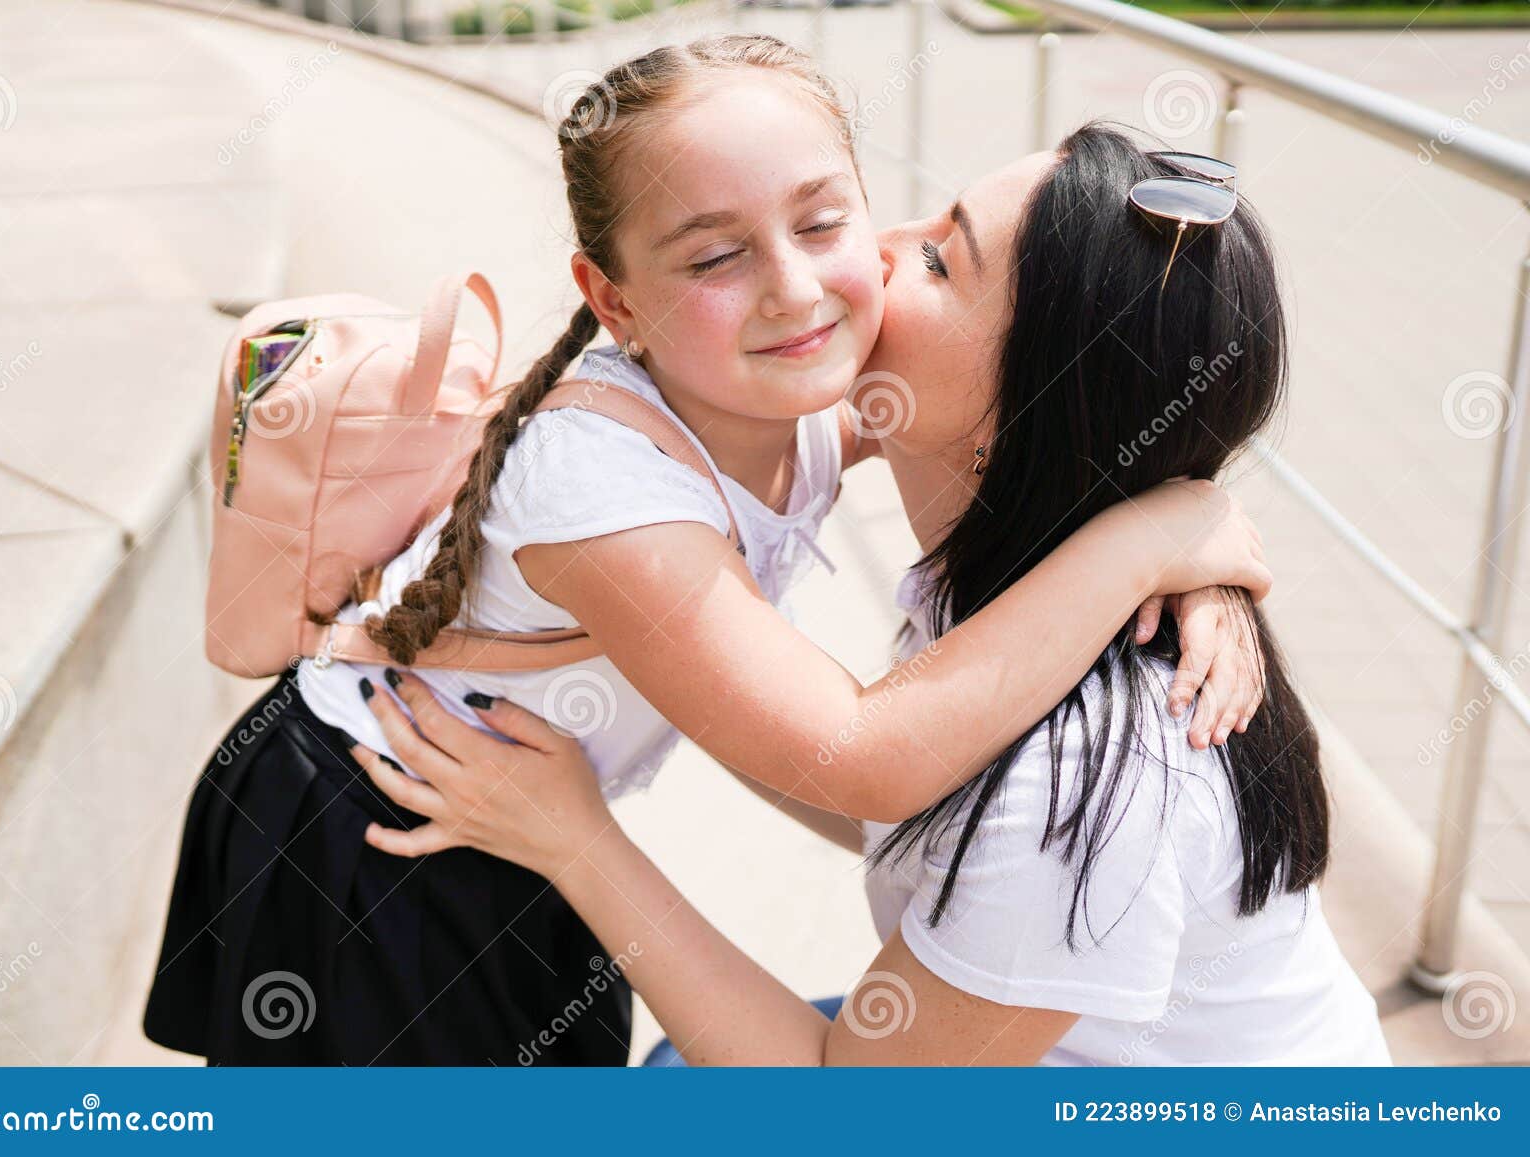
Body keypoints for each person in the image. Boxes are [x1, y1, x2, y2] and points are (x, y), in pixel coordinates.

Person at [143, 38, 1267, 1067]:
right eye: (716, 255)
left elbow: (1065, 431)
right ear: (613, 302)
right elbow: (856, 753)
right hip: (380, 829)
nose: (791, 286)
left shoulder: (814, 386)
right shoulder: (599, 486)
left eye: (822, 224)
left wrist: (1198, 554)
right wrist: (1145, 543)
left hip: (510, 809)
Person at [353, 124, 1390, 1066]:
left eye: (938, 260)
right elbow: (923, 811)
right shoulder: (1030, 594)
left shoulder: (1091, 756)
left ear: (1025, 407)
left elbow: (844, 1105)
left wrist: (575, 839)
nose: (874, 250)